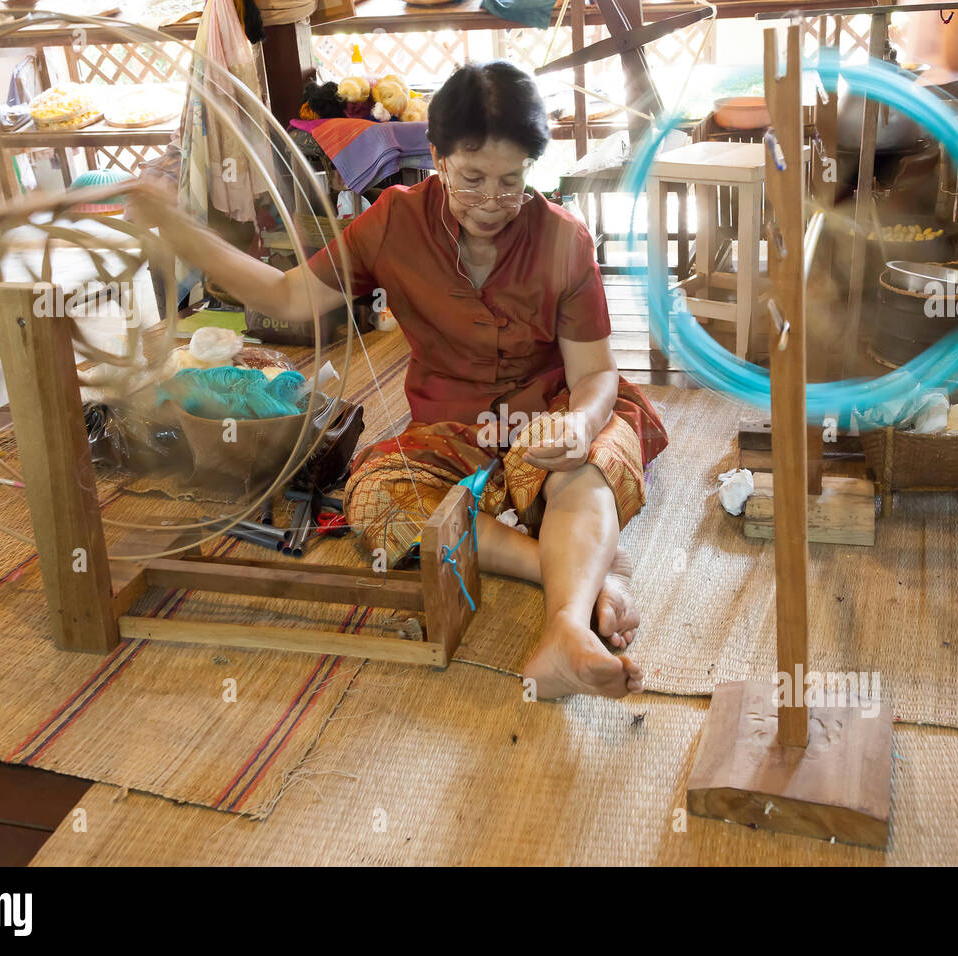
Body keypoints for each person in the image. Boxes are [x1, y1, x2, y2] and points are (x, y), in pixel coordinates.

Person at [127, 60, 667, 700]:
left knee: (594, 459)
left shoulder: (563, 239)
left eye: (511, 182)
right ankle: (583, 575)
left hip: (545, 414)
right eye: (471, 179)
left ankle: (564, 629)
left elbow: (594, 373)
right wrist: (179, 230)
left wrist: (577, 423)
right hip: (451, 427)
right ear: (435, 156)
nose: (491, 203)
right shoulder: (393, 223)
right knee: (378, 499)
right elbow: (285, 294)